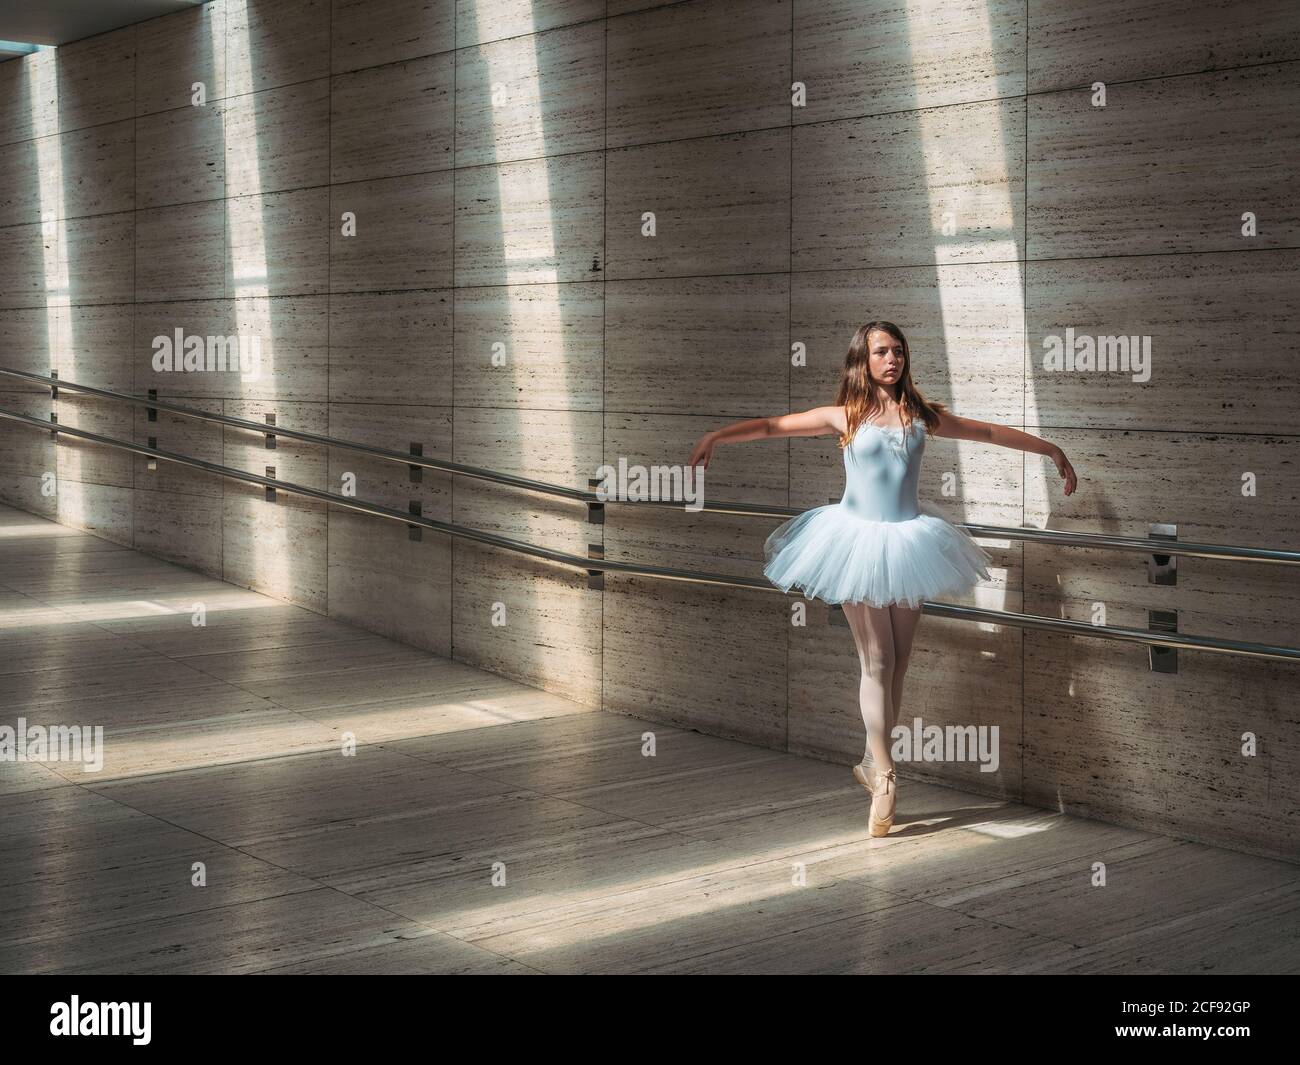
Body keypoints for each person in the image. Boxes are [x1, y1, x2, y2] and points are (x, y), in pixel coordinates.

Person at [688, 321, 1078, 836]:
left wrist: (1049, 450)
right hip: (856, 542)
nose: (891, 359)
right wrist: (717, 435)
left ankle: (873, 761)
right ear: (863, 360)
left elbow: (985, 432)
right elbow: (773, 427)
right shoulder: (844, 416)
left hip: (909, 541)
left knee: (899, 664)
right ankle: (888, 775)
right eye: (880, 352)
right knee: (877, 659)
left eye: (897, 351)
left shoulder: (921, 415)